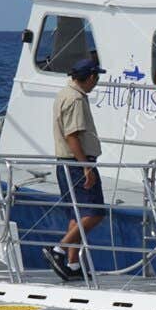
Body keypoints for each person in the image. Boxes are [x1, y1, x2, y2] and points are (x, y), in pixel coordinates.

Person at [44, 56, 107, 282]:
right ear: (90, 77)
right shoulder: (76, 99)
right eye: (96, 77)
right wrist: (86, 167)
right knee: (96, 212)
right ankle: (59, 249)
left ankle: (72, 263)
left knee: (77, 213)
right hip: (77, 162)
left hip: (67, 162)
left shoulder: (64, 94)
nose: (96, 82)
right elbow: (72, 136)